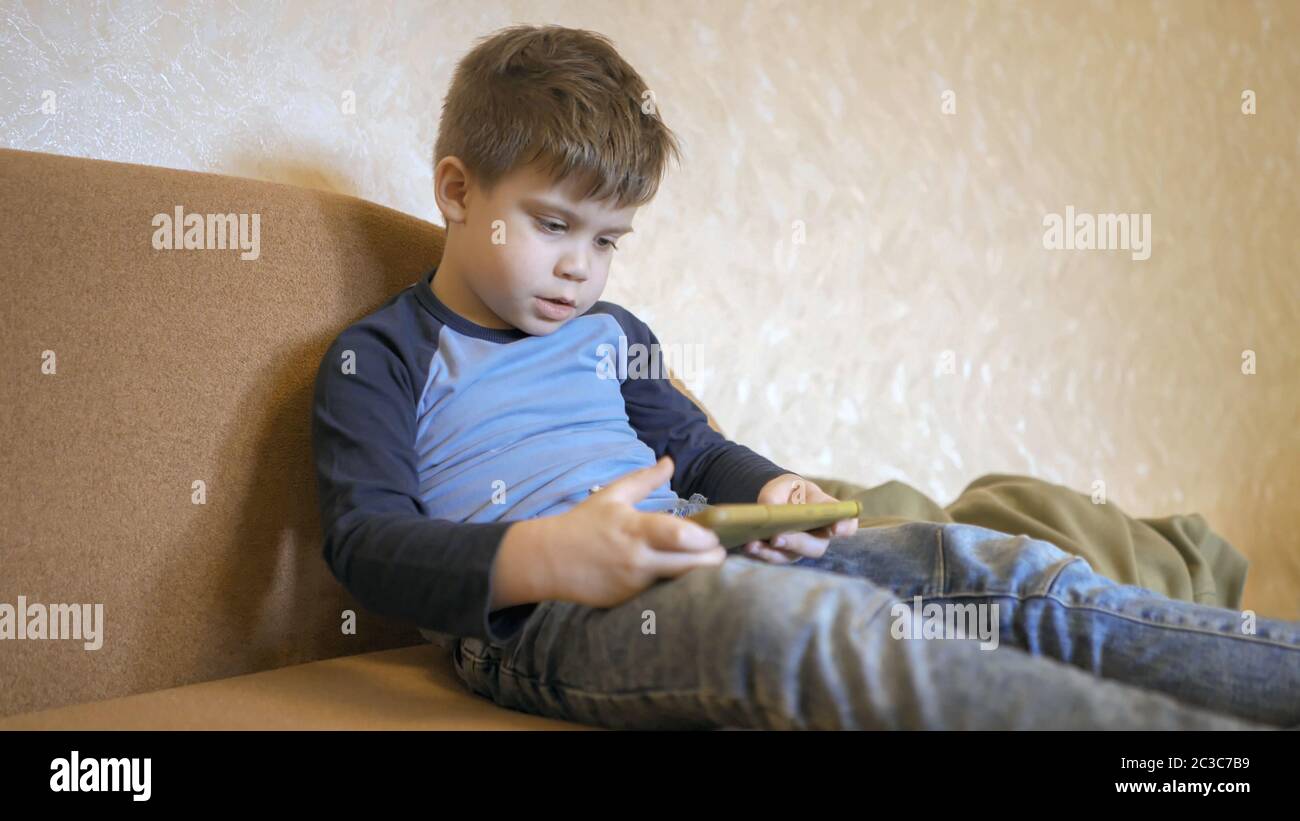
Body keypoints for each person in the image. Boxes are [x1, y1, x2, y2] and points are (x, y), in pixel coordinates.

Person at [310, 24, 1299, 730]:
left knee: (991, 567)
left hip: (705, 547)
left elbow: (692, 446)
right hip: (541, 621)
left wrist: (770, 488)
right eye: (553, 224)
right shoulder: (380, 355)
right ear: (455, 190)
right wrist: (546, 556)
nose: (582, 264)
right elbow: (364, 540)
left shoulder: (612, 332)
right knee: (821, 630)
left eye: (609, 238)